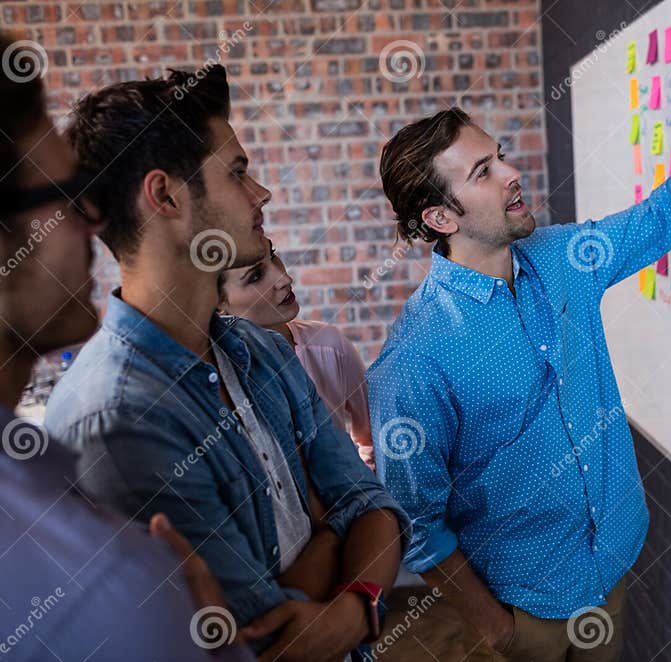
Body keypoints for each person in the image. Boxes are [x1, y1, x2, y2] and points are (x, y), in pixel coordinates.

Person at [368, 62, 671, 660]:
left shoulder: (562, 258)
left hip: (607, 574)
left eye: (501, 156)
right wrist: (496, 626)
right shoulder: (414, 360)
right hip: (519, 610)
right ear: (440, 217)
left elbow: (670, 212)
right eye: (484, 172)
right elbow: (418, 520)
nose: (512, 173)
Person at [44, 63, 409, 660]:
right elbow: (260, 635)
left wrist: (355, 599)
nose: (260, 193)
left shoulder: (260, 348)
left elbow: (371, 505)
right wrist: (329, 540)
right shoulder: (120, 418)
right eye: (237, 173)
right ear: (166, 196)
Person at [0, 34, 249, 661]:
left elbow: (362, 505)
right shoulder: (110, 585)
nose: (92, 219)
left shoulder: (252, 349)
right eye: (60, 198)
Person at [217, 237, 375, 469]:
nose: (284, 278)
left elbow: (374, 439)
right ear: (217, 303)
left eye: (273, 256)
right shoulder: (217, 382)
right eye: (256, 276)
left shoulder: (329, 345)